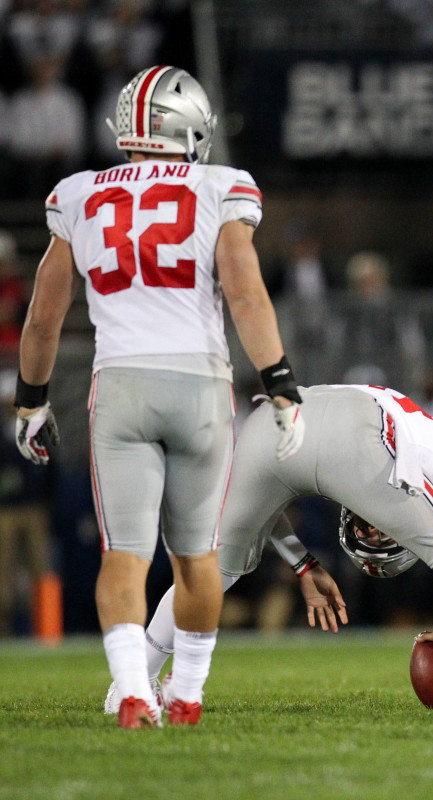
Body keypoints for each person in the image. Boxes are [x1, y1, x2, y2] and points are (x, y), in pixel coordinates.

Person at [14, 66, 305, 729]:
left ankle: (134, 693)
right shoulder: (219, 184)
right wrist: (279, 379)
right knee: (196, 557)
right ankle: (187, 696)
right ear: (190, 128)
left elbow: (42, 318)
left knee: (124, 556)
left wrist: (30, 401)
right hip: (200, 385)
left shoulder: (79, 194)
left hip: (121, 385)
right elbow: (243, 286)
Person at [107, 384, 433, 718]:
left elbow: (271, 501)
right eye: (378, 533)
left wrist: (303, 564)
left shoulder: (364, 481)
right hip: (354, 423)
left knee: (215, 572)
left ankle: (129, 685)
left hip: (271, 420)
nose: (374, 527)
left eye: (370, 533)